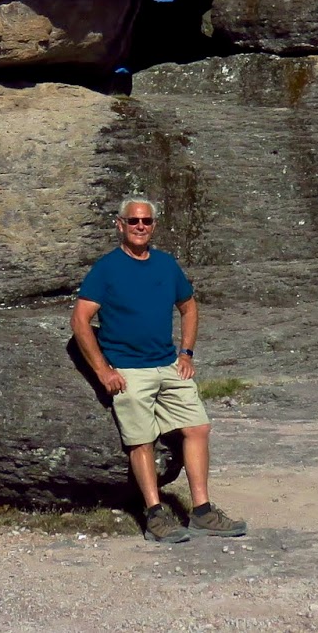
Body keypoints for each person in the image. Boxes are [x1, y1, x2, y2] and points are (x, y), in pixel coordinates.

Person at [71, 197, 247, 544]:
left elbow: (189, 306)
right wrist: (104, 371)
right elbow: (80, 320)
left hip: (167, 364)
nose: (140, 226)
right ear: (120, 225)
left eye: (147, 221)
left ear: (153, 226)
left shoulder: (166, 265)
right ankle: (154, 514)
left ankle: (202, 511)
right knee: (142, 439)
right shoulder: (106, 269)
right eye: (133, 221)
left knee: (198, 427)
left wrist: (187, 353)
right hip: (129, 369)